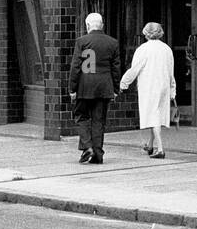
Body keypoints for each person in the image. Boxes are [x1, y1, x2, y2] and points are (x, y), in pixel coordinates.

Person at [119, 21, 178, 159]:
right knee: (156, 114)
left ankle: (160, 149)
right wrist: (172, 89)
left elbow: (135, 69)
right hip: (163, 85)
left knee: (153, 115)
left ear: (145, 33)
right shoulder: (167, 49)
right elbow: (171, 72)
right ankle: (151, 145)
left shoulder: (143, 49)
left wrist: (124, 83)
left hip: (149, 86)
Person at [68, 12, 121, 165]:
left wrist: (72, 88)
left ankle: (87, 146)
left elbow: (76, 66)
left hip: (84, 86)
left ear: (87, 25)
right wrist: (115, 89)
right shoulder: (112, 43)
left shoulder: (82, 41)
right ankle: (98, 154)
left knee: (81, 116)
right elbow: (116, 68)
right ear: (102, 25)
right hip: (104, 87)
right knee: (99, 121)